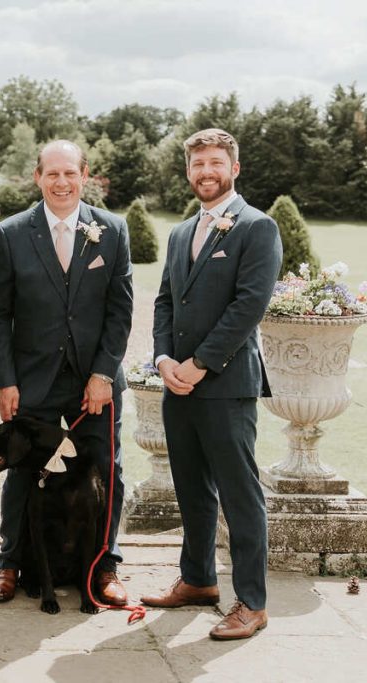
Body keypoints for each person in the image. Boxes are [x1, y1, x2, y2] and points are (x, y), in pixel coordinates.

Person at [143, 128, 282, 640]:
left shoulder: (257, 227)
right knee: (192, 490)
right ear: (188, 171)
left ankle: (252, 601)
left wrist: (199, 364)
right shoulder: (181, 233)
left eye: (215, 163)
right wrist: (162, 360)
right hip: (176, 383)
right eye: (198, 163)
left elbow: (249, 306)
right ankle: (198, 580)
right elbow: (163, 301)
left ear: (234, 169)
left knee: (240, 493)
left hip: (225, 384)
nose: (206, 171)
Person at [0, 140, 133, 606]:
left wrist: (104, 374)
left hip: (95, 381)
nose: (61, 182)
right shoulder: (10, 234)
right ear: (37, 177)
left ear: (84, 175)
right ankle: (9, 564)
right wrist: (6, 381)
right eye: (52, 174)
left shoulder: (112, 230)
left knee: (107, 470)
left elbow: (119, 310)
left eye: (70, 173)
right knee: (22, 470)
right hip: (32, 380)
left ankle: (104, 565)